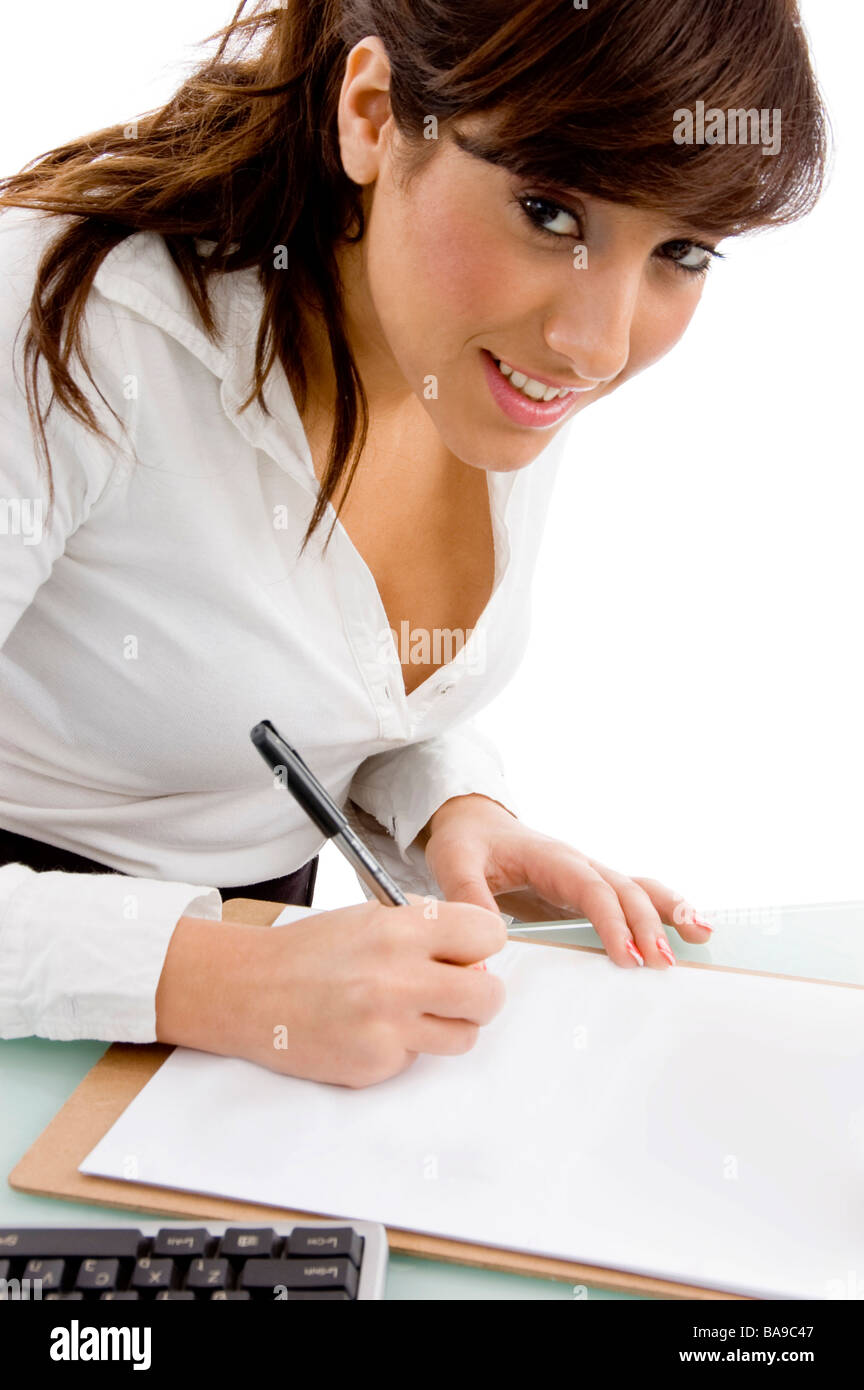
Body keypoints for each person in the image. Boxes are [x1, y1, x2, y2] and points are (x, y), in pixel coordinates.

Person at [0, 0, 828, 1085]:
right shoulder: (66, 324)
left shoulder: (489, 361)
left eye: (681, 250)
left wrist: (444, 805)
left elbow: (290, 674)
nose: (600, 343)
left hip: (232, 1028)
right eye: (549, 211)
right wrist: (210, 980)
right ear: (375, 116)